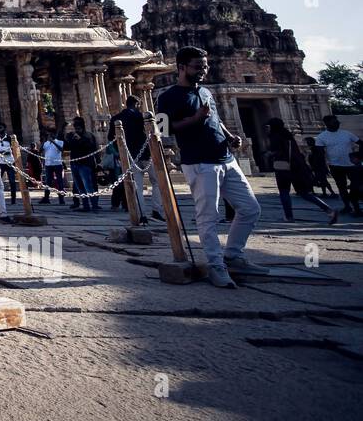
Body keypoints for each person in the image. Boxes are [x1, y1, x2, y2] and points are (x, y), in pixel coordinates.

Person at [155, 46, 265, 288]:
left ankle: (233, 255)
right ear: (181, 67)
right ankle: (216, 264)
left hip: (225, 157)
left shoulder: (206, 91)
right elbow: (163, 129)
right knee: (209, 216)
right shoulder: (168, 97)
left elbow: (215, 117)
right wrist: (194, 120)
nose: (203, 71)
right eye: (198, 67)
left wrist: (229, 136)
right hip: (199, 161)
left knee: (250, 208)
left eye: (205, 66)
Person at [265, 118, 337, 224]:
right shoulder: (288, 136)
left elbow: (278, 152)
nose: (267, 129)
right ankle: (329, 210)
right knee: (304, 193)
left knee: (284, 192)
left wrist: (269, 154)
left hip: (283, 168)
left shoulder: (275, 137)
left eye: (268, 126)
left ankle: (289, 217)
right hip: (297, 167)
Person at [111, 94, 160, 223]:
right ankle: (156, 209)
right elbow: (153, 134)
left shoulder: (116, 118)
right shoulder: (142, 117)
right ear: (137, 104)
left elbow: (111, 138)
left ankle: (141, 214)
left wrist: (121, 153)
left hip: (129, 155)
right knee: (157, 182)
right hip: (147, 154)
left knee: (137, 185)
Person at [315, 116, 362, 216]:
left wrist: (359, 157)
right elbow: (319, 154)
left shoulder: (347, 134)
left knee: (355, 187)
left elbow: (361, 143)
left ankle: (357, 208)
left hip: (351, 165)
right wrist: (323, 167)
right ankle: (347, 206)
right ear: (327, 124)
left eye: (337, 122)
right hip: (335, 166)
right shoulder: (321, 137)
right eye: (333, 122)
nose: (336, 124)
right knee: (342, 187)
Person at [64, 117, 100, 211]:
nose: (76, 129)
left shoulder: (88, 136)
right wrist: (68, 137)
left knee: (88, 186)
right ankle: (86, 206)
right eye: (75, 127)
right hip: (75, 163)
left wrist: (80, 139)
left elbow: (92, 148)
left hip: (85, 164)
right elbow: (68, 147)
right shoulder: (72, 135)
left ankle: (94, 205)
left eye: (78, 127)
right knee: (80, 186)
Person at [0, 122, 18, 205]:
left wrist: (4, 152)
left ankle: (13, 200)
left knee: (12, 181)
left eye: (0, 128)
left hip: (10, 162)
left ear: (4, 128)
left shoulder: (9, 138)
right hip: (0, 162)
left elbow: (14, 149)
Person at [40, 129, 65, 203]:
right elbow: (40, 150)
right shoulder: (46, 143)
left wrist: (53, 142)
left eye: (51, 134)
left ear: (55, 135)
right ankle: (46, 198)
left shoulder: (60, 142)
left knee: (59, 181)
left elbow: (61, 149)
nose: (50, 136)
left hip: (57, 164)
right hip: (48, 165)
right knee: (48, 182)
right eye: (49, 135)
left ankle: (61, 199)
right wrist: (44, 141)